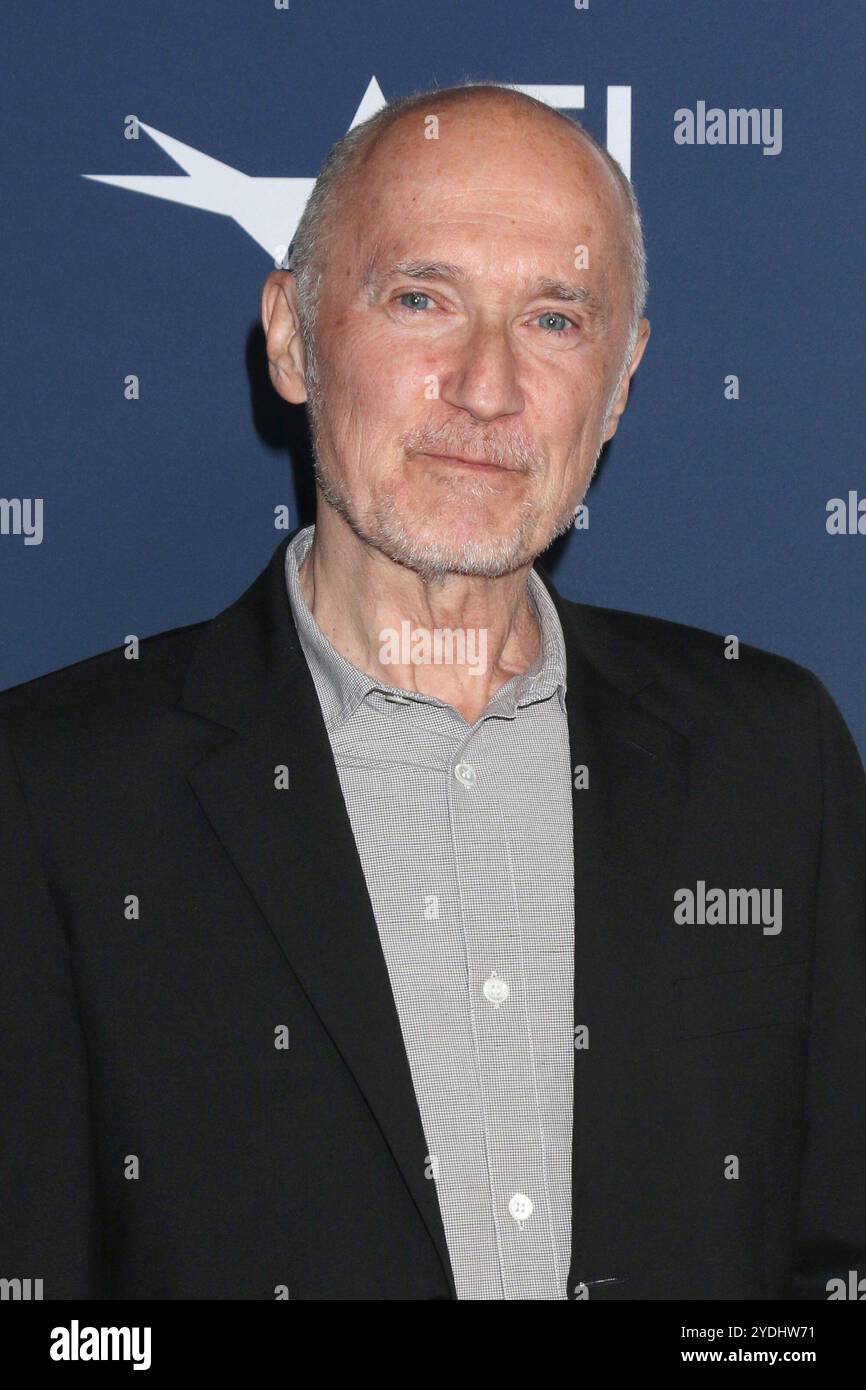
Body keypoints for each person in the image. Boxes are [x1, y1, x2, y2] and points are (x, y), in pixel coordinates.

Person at [1, 82, 864, 1300]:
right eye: (422, 300)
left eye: (556, 320)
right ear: (294, 338)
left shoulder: (774, 757)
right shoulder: (52, 791)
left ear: (618, 382)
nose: (486, 387)